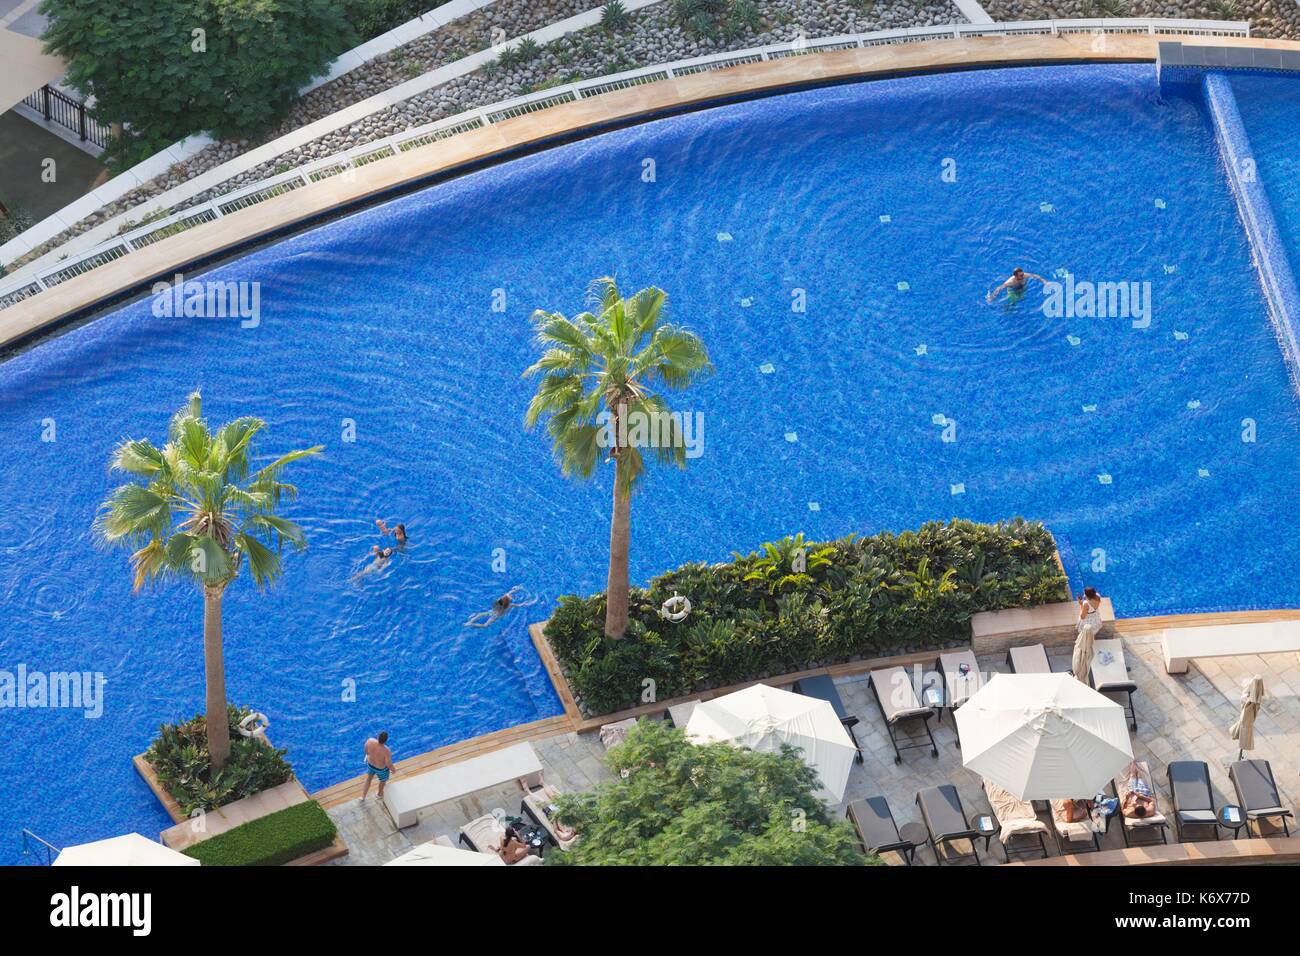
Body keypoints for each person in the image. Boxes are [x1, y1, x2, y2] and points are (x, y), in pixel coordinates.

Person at [464, 585, 535, 628]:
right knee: (485, 625)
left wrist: (514, 590)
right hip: (496, 616)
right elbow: (520, 605)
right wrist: (528, 602)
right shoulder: (509, 606)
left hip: (491, 612)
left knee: (480, 615)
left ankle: (470, 622)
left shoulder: (498, 601)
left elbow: (506, 595)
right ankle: (471, 624)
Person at [361, 731, 396, 800]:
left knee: (368, 779)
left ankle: (363, 796)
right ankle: (379, 794)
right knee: (382, 781)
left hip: (370, 764)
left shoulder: (370, 741)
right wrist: (393, 770)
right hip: (381, 769)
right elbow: (388, 764)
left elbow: (366, 752)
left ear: (378, 736)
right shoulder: (387, 751)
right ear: (386, 740)